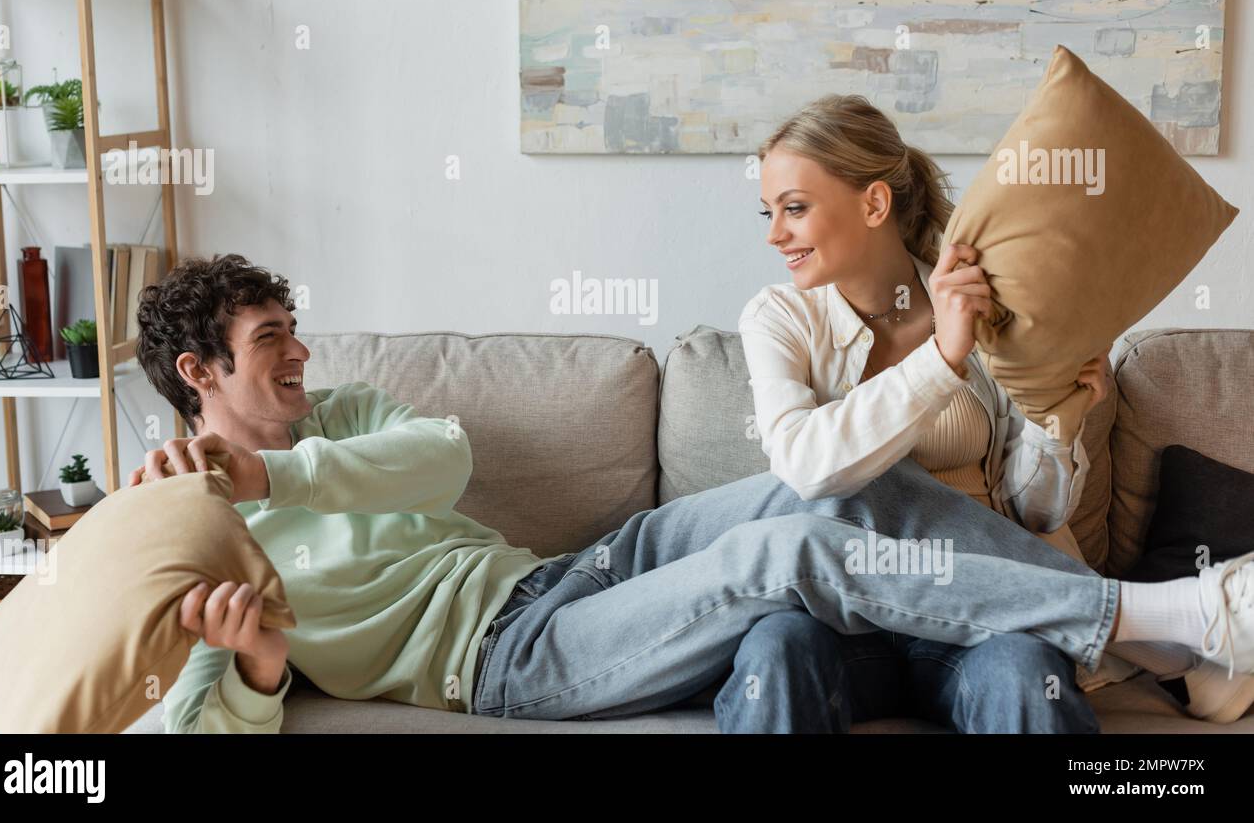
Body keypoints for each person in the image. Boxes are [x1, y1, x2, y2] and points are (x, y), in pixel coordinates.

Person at [136, 253, 1254, 733]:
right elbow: (193, 714)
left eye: (292, 330)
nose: (299, 354)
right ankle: (1163, 619)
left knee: (817, 493)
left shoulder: (342, 419)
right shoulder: (190, 525)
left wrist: (275, 467)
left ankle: (1162, 648)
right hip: (506, 664)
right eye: (271, 340)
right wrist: (259, 668)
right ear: (200, 373)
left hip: (558, 578)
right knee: (786, 558)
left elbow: (443, 464)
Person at [711, 93, 1251, 732]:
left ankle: (1160, 633)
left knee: (1023, 674)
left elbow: (1035, 514)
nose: (774, 233)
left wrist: (1058, 420)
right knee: (772, 652)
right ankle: (1161, 629)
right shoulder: (778, 318)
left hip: (980, 613)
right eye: (769, 211)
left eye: (794, 209)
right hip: (836, 617)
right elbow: (806, 468)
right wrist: (940, 357)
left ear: (874, 203)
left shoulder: (982, 306)